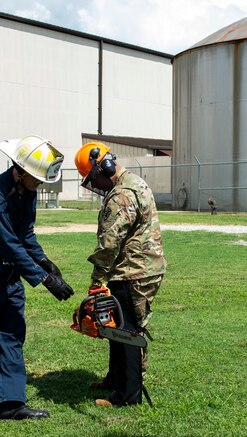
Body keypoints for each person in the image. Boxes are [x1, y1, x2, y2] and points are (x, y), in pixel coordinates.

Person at [0, 135, 74, 420]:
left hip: (7, 274)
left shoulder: (27, 192)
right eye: (36, 178)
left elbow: (25, 235)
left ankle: (11, 403)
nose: (40, 184)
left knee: (10, 332)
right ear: (18, 171)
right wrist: (44, 279)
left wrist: (44, 260)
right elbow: (7, 243)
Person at [74, 142, 166, 406]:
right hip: (134, 269)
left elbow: (110, 242)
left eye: (94, 178)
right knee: (115, 325)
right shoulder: (133, 183)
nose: (96, 184)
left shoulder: (121, 195)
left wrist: (97, 278)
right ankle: (115, 378)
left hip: (132, 272)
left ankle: (128, 395)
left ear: (105, 166)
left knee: (128, 332)